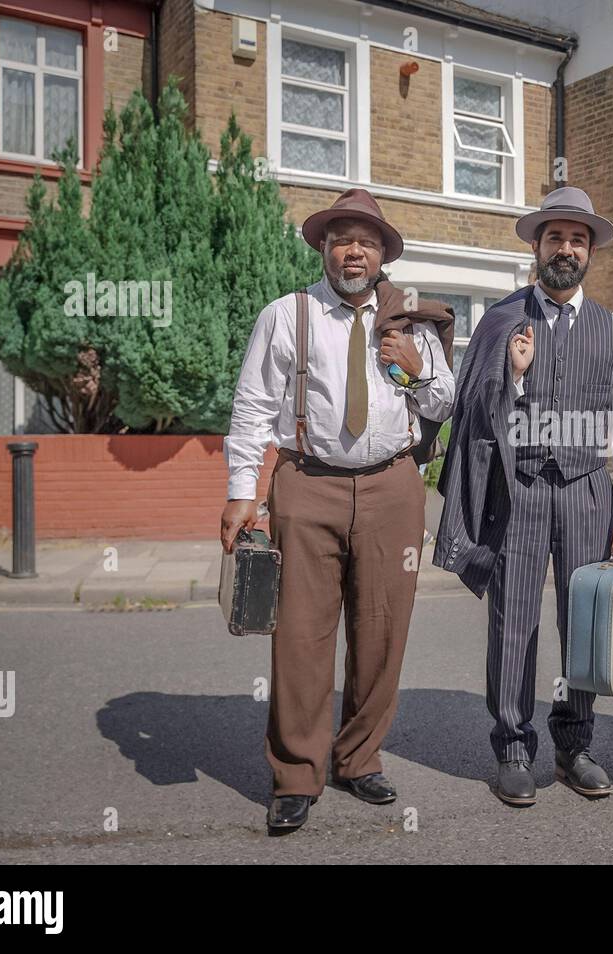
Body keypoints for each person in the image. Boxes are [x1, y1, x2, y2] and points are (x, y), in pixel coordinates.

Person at [221, 189, 456, 833]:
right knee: (300, 634)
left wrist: (413, 370)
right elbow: (251, 408)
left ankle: (359, 758)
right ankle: (297, 773)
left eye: (367, 241)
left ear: (382, 255)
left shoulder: (413, 322)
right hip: (306, 481)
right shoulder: (287, 315)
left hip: (393, 486)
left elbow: (443, 403)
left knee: (383, 631)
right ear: (324, 248)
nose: (354, 250)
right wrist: (244, 489)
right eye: (342, 238)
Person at [434, 186, 613, 807]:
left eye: (578, 240)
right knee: (513, 620)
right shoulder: (501, 320)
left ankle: (575, 745)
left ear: (590, 253)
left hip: (585, 489)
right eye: (555, 237)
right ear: (536, 245)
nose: (567, 249)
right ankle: (513, 749)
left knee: (584, 622)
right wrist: (515, 377)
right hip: (519, 490)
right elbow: (472, 414)